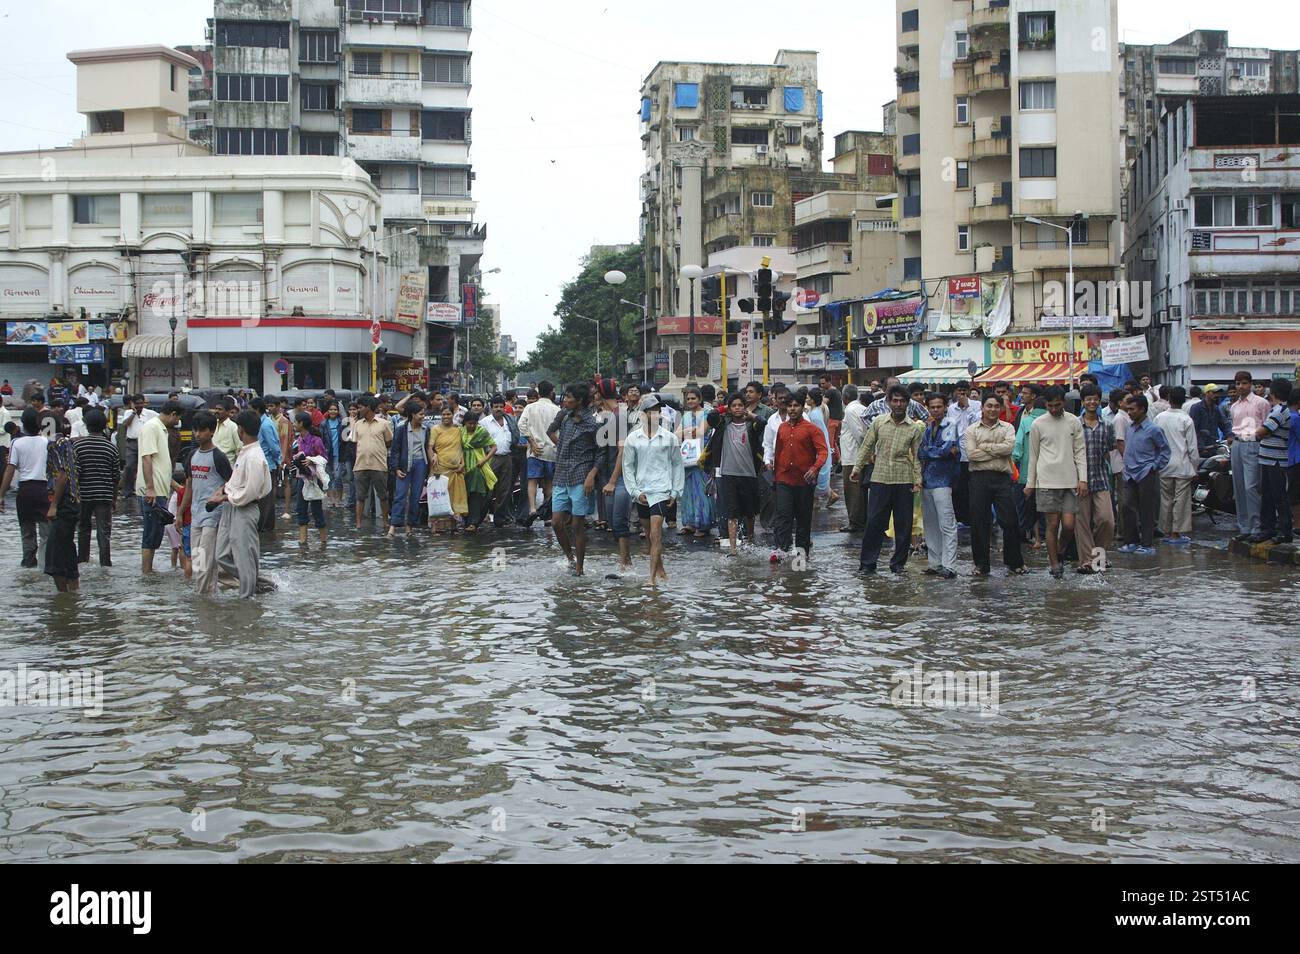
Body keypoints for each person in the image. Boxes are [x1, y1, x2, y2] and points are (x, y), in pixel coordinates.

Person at [853, 386, 923, 576]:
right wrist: (857, 469)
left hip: (904, 480)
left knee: (903, 524)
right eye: (895, 400)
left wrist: (918, 480)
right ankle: (868, 564)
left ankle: (898, 564)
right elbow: (867, 446)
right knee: (874, 522)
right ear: (889, 402)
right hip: (880, 478)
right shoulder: (879, 422)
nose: (898, 404)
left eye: (902, 401)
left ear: (907, 404)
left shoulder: (914, 428)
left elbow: (917, 456)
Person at [1024, 386, 1087, 578]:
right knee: (1052, 526)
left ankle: (1060, 550)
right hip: (1047, 481)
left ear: (1063, 402)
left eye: (1057, 405)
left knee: (1068, 525)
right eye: (1050, 406)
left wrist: (1083, 479)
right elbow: (1033, 456)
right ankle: (1054, 565)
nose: (1053, 409)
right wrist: (1030, 484)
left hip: (1070, 481)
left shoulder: (1074, 421)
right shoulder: (1038, 424)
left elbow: (1080, 451)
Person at [622, 393, 684, 586]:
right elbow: (628, 466)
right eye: (651, 412)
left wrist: (675, 491)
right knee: (650, 535)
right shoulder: (633, 438)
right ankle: (661, 569)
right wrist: (633, 490)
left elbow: (676, 465)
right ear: (643, 414)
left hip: (661, 490)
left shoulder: (669, 438)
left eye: (657, 411)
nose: (655, 415)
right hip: (641, 491)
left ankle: (651, 579)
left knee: (656, 533)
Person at [210, 411, 271, 599]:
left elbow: (251, 491)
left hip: (244, 508)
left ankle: (247, 600)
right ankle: (261, 584)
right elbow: (237, 482)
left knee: (245, 559)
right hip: (232, 507)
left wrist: (225, 497)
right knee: (221, 555)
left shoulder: (254, 456)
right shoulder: (245, 452)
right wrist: (224, 489)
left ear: (240, 430)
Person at [965, 395, 1027, 577]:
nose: (992, 409)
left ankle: (1014, 562)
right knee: (979, 522)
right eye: (989, 406)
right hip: (979, 478)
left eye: (996, 406)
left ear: (1000, 408)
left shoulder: (1007, 427)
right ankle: (981, 565)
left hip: (1002, 478)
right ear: (982, 408)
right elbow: (971, 454)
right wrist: (996, 450)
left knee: (1010, 521)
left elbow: (1009, 449)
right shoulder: (972, 430)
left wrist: (984, 447)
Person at [546, 383, 602, 575]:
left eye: (569, 397)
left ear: (579, 401)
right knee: (556, 522)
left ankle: (580, 567)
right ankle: (569, 557)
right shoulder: (564, 417)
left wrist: (592, 475)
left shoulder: (593, 424)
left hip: (581, 475)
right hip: (561, 474)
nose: (565, 400)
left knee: (578, 524)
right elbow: (549, 431)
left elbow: (601, 453)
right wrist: (560, 445)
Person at [772, 391, 828, 563]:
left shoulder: (812, 429)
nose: (792, 409)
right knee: (783, 516)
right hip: (784, 480)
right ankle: (782, 551)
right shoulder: (782, 427)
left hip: (804, 481)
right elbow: (778, 452)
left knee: (803, 519)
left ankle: (802, 556)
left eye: (796, 406)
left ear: (802, 407)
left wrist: (815, 468)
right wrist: (776, 476)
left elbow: (823, 452)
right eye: (789, 406)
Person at [180, 411, 232, 596]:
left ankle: (201, 599)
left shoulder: (219, 457)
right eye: (196, 430)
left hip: (213, 516)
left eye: (202, 430)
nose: (197, 434)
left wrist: (219, 497)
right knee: (198, 560)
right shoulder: (192, 456)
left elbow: (232, 483)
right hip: (196, 516)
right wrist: (180, 513)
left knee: (205, 559)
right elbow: (189, 485)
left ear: (211, 432)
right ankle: (211, 593)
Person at [705, 393, 765, 554]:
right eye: (734, 406)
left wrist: (749, 414)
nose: (737, 408)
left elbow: (762, 422)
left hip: (749, 474)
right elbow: (711, 416)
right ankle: (733, 548)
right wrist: (725, 408)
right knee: (732, 512)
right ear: (729, 409)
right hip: (728, 475)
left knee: (750, 512)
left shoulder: (750, 427)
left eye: (740, 405)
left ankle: (750, 540)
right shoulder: (723, 425)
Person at [1116, 394, 1170, 555]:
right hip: (1130, 473)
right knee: (1127, 507)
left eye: (1132, 409)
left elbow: (1165, 451)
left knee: (1147, 510)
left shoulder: (1154, 429)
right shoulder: (1130, 427)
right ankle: (1130, 541)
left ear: (1142, 409)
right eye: (1128, 409)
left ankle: (1147, 544)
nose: (1129, 412)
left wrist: (1154, 467)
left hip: (1146, 473)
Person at [0, 408, 51, 566]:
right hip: (44, 491)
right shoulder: (47, 442)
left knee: (27, 533)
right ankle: (45, 569)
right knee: (46, 534)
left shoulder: (16, 443)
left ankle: (28, 568)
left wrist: (1, 495)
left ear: (22, 424)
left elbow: (10, 470)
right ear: (39, 424)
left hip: (25, 491)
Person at [917, 392, 960, 579]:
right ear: (928, 407)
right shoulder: (928, 428)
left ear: (945, 407)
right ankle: (935, 563)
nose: (936, 410)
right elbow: (921, 452)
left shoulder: (950, 424)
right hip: (927, 480)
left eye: (939, 406)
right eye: (932, 407)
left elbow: (946, 450)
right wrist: (935, 451)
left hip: (943, 480)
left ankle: (949, 565)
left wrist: (931, 451)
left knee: (947, 524)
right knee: (930, 524)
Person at [1074, 385, 1116, 574]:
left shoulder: (1107, 425)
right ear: (1083, 401)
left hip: (1100, 478)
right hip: (1079, 480)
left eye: (1095, 399)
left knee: (1106, 520)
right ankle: (1087, 561)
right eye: (1088, 399)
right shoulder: (1074, 424)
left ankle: (1099, 557)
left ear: (1099, 401)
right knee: (1081, 523)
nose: (1092, 402)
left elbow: (1108, 451)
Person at [137, 400, 181, 574]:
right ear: (172, 414)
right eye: (177, 419)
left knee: (156, 532)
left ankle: (149, 571)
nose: (177, 423)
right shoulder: (152, 427)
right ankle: (146, 572)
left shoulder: (161, 429)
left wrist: (175, 486)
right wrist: (150, 488)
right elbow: (146, 458)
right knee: (150, 532)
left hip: (159, 489)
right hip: (151, 491)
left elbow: (160, 464)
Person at [73, 407, 120, 567]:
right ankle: (105, 564)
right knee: (104, 532)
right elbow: (116, 477)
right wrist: (114, 499)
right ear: (104, 426)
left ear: (86, 425)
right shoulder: (111, 448)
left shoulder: (79, 446)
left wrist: (75, 495)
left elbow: (75, 474)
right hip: (105, 496)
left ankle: (82, 561)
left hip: (84, 495)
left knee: (83, 529)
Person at [1227, 371, 1271, 542]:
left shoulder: (1261, 403)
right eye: (1238, 383)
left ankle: (1256, 526)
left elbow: (1268, 428)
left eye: (1244, 383)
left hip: (1254, 444)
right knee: (1238, 488)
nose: (1241, 387)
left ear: (1251, 384)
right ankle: (1244, 526)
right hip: (1237, 444)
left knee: (1251, 487)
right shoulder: (1234, 406)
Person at [1154, 386, 1199, 546]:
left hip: (1164, 465)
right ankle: (1175, 533)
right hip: (1182, 465)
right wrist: (1195, 467)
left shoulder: (1159, 418)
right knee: (1181, 500)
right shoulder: (1186, 419)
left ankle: (1165, 530)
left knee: (1166, 499)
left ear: (1169, 400)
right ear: (1184, 400)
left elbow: (1155, 442)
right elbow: (1192, 448)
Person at [1256, 378, 1293, 544]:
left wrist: (1259, 432)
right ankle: (1268, 528)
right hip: (1268, 459)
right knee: (1268, 496)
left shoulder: (1280, 411)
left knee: (1278, 497)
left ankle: (1284, 531)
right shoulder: (1277, 409)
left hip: (1276, 460)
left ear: (1273, 392)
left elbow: (1261, 432)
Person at [388, 401, 431, 537]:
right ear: (412, 415)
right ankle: (393, 526)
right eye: (420, 414)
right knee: (400, 495)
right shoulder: (401, 428)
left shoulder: (426, 429)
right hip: (405, 464)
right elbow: (395, 450)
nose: (423, 417)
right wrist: (395, 468)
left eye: (424, 414)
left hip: (421, 464)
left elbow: (428, 447)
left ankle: (409, 526)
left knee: (415, 497)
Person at [288, 411, 330, 546]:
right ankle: (302, 541)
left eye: (295, 422)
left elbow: (324, 458)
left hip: (314, 480)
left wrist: (311, 461)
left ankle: (323, 541)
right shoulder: (299, 439)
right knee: (301, 508)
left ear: (301, 424)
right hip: (302, 478)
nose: (294, 424)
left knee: (317, 509)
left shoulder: (316, 440)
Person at [676, 386, 713, 538]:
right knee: (688, 490)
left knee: (701, 490)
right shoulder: (684, 416)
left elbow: (702, 431)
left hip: (702, 456)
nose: (690, 401)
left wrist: (688, 431)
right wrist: (688, 431)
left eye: (693, 398)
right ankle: (690, 523)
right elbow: (676, 434)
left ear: (700, 399)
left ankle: (702, 524)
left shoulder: (707, 414)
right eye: (688, 399)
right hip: (687, 457)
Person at [518, 381, 559, 517]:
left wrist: (531, 442)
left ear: (538, 392)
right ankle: (548, 513)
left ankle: (533, 509)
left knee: (532, 480)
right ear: (551, 392)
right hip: (551, 451)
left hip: (534, 451)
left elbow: (521, 425)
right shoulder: (556, 409)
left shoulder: (530, 408)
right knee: (549, 483)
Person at [352, 395, 393, 530]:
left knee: (383, 495)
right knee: (360, 496)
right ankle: (358, 523)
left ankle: (386, 521)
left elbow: (389, 442)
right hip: (360, 464)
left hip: (379, 464)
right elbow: (355, 442)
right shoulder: (357, 424)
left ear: (368, 408)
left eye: (360, 407)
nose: (358, 410)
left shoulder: (384, 424)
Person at [944, 380, 981, 528]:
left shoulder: (976, 406)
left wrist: (967, 407)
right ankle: (961, 517)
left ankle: (974, 517)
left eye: (964, 391)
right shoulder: (951, 408)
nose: (961, 394)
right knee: (958, 488)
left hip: (972, 452)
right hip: (957, 453)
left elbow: (976, 423)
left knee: (972, 488)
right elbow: (950, 426)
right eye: (959, 391)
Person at [481, 395, 519, 527]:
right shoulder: (485, 422)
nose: (498, 409)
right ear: (491, 408)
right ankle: (481, 516)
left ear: (504, 408)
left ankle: (499, 518)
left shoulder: (510, 421)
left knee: (504, 489)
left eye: (501, 407)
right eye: (495, 407)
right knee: (488, 489)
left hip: (507, 458)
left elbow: (515, 436)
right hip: (491, 459)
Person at [118, 394, 157, 513]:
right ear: (132, 404)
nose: (139, 405)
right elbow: (125, 425)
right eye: (137, 403)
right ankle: (127, 491)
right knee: (129, 466)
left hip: (145, 442)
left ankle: (143, 489)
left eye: (141, 403)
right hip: (132, 443)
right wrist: (134, 413)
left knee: (145, 465)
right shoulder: (128, 413)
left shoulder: (150, 413)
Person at [838, 384, 869, 535]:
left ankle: (855, 522)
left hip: (853, 457)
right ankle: (859, 520)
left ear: (844, 397)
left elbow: (860, 435)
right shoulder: (861, 408)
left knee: (853, 492)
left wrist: (865, 453)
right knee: (859, 491)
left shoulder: (850, 410)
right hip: (857, 456)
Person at [461, 410, 498, 532]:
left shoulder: (481, 432)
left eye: (474, 424)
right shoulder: (460, 432)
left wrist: (484, 460)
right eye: (469, 424)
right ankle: (466, 521)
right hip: (463, 467)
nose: (472, 426)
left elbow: (494, 447)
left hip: (477, 467)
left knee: (476, 494)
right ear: (464, 423)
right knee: (465, 494)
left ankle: (473, 522)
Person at [251, 398, 282, 532]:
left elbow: (274, 446)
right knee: (261, 497)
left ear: (257, 409)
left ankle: (266, 527)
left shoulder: (266, 425)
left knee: (267, 499)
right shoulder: (260, 423)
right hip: (260, 464)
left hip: (268, 465)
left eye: (250, 408)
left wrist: (278, 461)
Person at [1189, 383, 1230, 459]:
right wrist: (1200, 446)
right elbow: (1194, 429)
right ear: (1206, 393)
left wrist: (1230, 436)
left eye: (1217, 393)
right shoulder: (1196, 408)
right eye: (1213, 393)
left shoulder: (1216, 409)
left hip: (1213, 445)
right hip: (1200, 447)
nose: (1216, 395)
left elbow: (1224, 424)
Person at [213, 397, 241, 462]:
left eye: (220, 409)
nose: (217, 411)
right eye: (216, 409)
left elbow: (239, 447)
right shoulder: (213, 424)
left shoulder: (233, 426)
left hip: (228, 464)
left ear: (228, 412)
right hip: (213, 463)